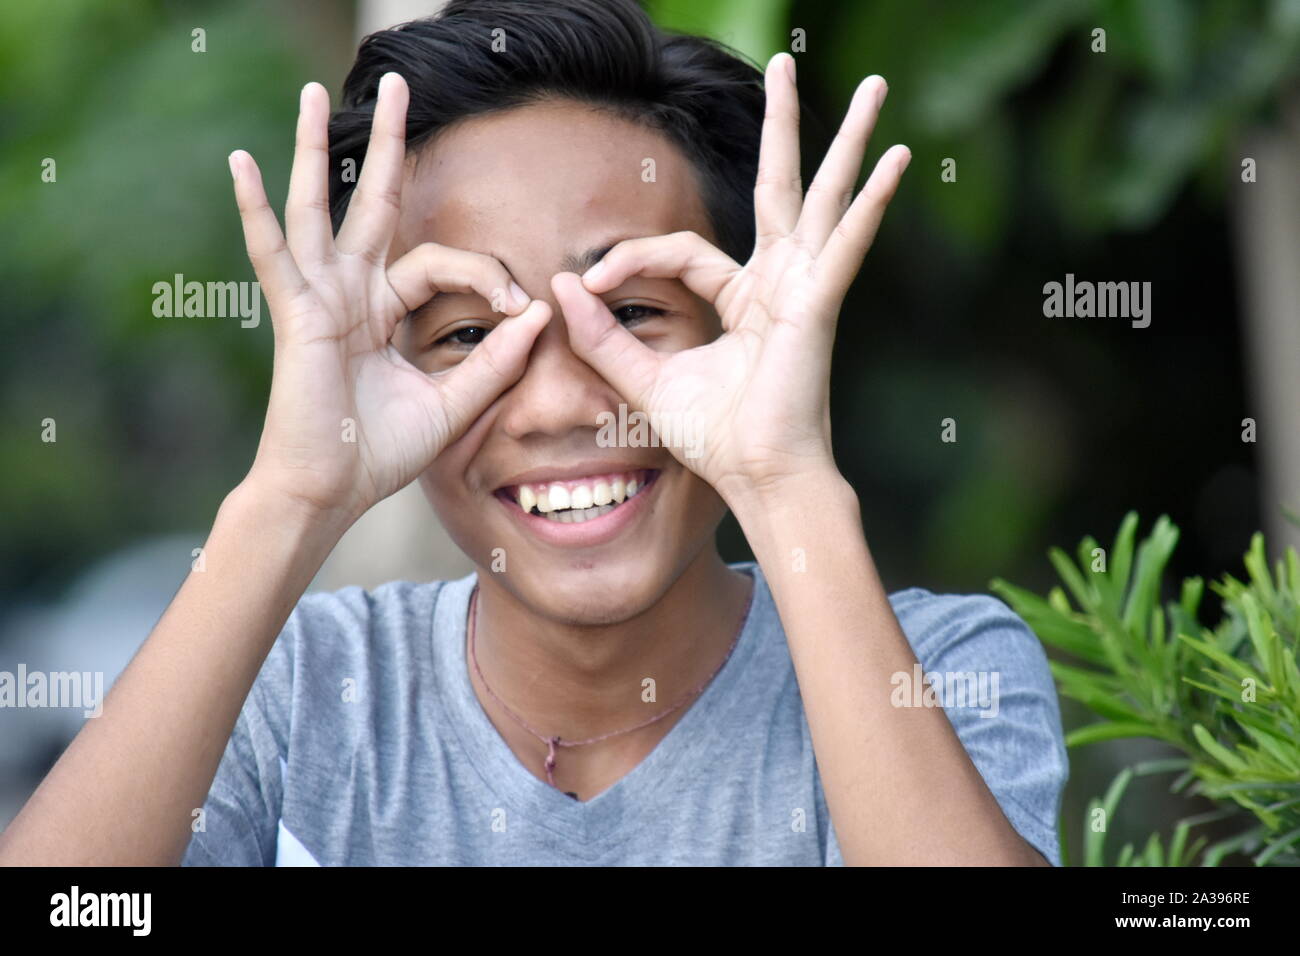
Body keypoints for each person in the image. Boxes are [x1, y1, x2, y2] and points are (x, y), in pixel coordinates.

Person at [0, 0, 1067, 866]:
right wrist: (286, 498)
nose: (558, 403)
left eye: (635, 311)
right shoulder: (304, 692)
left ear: (740, 330)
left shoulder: (934, 668)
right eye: (469, 332)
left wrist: (786, 479)